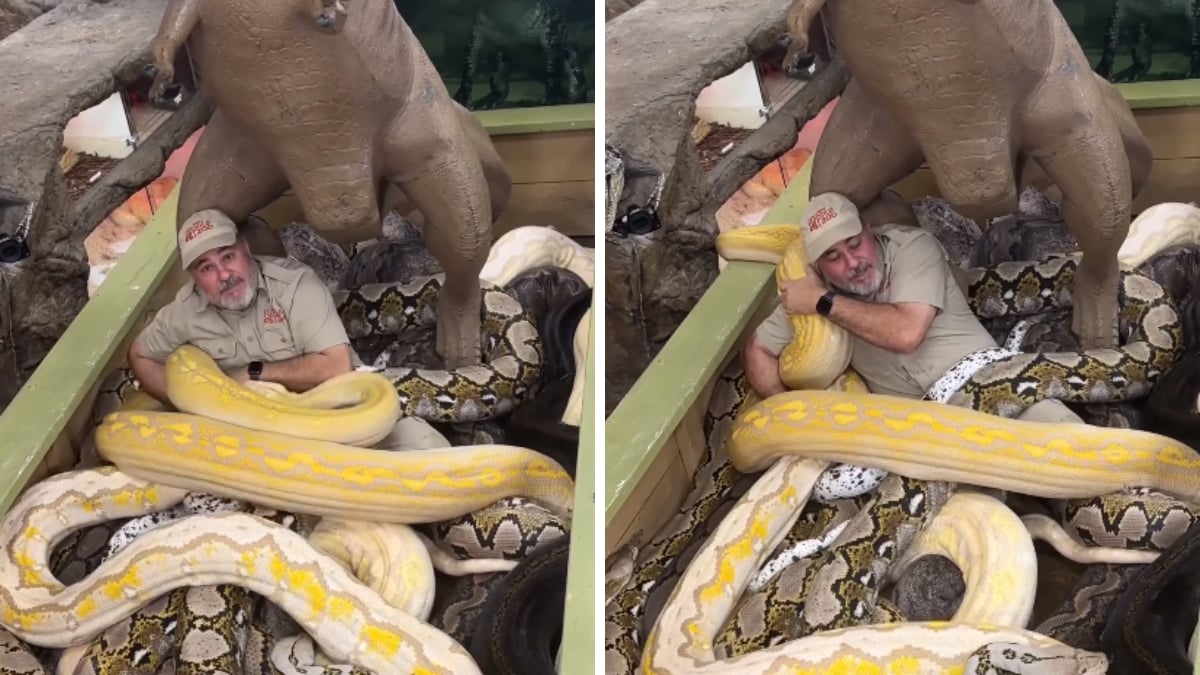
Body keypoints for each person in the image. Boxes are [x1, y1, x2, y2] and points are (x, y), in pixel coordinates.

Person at [744, 191, 1083, 424]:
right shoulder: (808, 291)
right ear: (817, 265)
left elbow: (906, 333)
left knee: (1074, 448)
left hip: (990, 380)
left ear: (869, 229)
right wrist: (788, 412)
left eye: (854, 243)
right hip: (918, 429)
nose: (853, 262)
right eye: (833, 257)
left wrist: (824, 302)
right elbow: (758, 349)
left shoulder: (913, 248)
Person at [128, 208, 353, 404]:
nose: (224, 275)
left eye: (228, 257)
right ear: (194, 277)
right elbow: (139, 355)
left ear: (245, 249)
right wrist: (187, 402)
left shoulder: (295, 285)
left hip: (325, 408)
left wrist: (253, 373)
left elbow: (338, 366)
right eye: (207, 268)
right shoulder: (185, 310)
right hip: (247, 423)